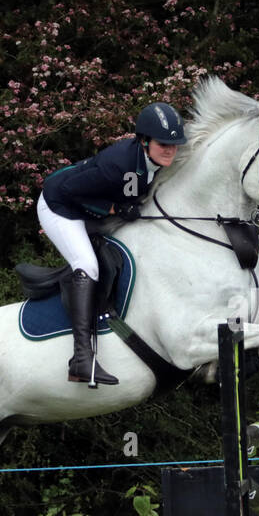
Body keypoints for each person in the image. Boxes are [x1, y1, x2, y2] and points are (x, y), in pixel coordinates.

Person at [36, 102, 187, 387]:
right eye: (163, 143)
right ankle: (81, 359)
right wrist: (114, 210)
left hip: (88, 201)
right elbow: (69, 192)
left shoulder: (153, 161)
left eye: (174, 144)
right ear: (144, 141)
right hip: (59, 205)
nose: (170, 149)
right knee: (87, 265)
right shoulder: (117, 164)